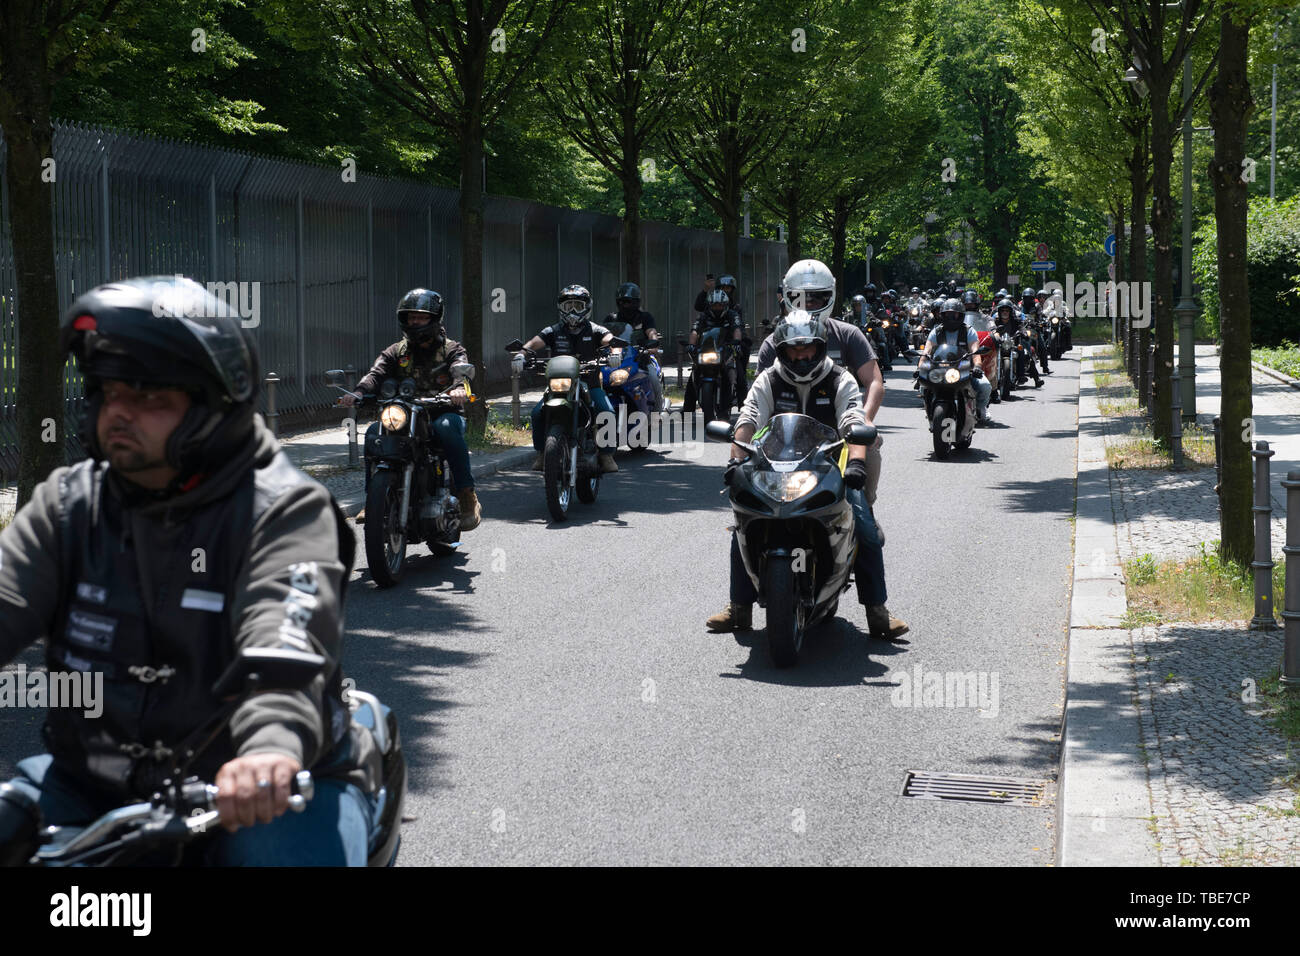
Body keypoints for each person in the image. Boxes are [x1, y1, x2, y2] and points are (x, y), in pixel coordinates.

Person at [0, 276, 381, 866]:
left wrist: (269, 753)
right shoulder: (69, 505)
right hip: (90, 784)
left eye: (152, 397)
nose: (120, 412)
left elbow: (283, 647)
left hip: (253, 792)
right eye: (110, 390)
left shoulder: (283, 509)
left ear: (212, 408)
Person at [714, 259, 907, 641]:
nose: (801, 357)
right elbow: (750, 415)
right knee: (744, 518)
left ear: (821, 347)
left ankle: (877, 612)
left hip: (832, 457)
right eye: (793, 351)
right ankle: (739, 608)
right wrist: (735, 460)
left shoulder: (841, 372)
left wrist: (855, 462)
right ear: (783, 350)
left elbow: (853, 419)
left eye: (808, 351)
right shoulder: (770, 371)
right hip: (777, 456)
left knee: (864, 527)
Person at [342, 288, 480, 530]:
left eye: (421, 317)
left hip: (441, 410)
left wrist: (459, 388)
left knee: (447, 429)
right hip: (404, 413)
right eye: (411, 317)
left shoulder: (451, 349)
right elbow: (377, 373)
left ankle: (468, 496)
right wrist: (359, 392)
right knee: (375, 434)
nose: (414, 322)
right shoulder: (396, 351)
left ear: (434, 319)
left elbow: (461, 371)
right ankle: (372, 499)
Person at [515, 284, 619, 474]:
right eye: (568, 305)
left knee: (607, 412)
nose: (572, 310)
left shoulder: (594, 329)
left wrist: (615, 351)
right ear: (560, 308)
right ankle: (541, 453)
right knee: (538, 413)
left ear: (586, 308)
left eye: (577, 306)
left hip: (590, 383)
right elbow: (534, 342)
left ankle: (606, 454)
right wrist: (522, 354)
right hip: (559, 385)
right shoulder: (553, 330)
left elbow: (609, 339)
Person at [920, 297, 993, 424]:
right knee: (923, 387)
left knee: (985, 385)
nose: (951, 318)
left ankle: (981, 408)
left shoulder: (969, 331)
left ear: (960, 316)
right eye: (947, 315)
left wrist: (977, 367)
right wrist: (920, 368)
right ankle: (930, 412)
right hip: (940, 369)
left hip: (964, 369)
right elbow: (926, 352)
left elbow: (975, 352)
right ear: (942, 316)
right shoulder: (936, 332)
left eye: (954, 315)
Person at [602, 281, 664, 410]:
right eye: (622, 302)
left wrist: (653, 345)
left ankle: (658, 411)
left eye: (628, 302)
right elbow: (603, 336)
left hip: (641, 359)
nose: (625, 305)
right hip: (617, 360)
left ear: (636, 302)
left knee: (654, 379)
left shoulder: (645, 317)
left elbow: (651, 332)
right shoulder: (611, 319)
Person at [993, 296, 1042, 388]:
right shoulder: (995, 321)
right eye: (1003, 310)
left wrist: (1024, 333)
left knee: (1022, 351)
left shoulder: (1016, 320)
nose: (1005, 312)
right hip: (999, 344)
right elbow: (990, 328)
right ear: (999, 311)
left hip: (1012, 343)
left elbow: (1022, 327)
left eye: (1007, 311)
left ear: (1010, 311)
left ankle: (1021, 375)